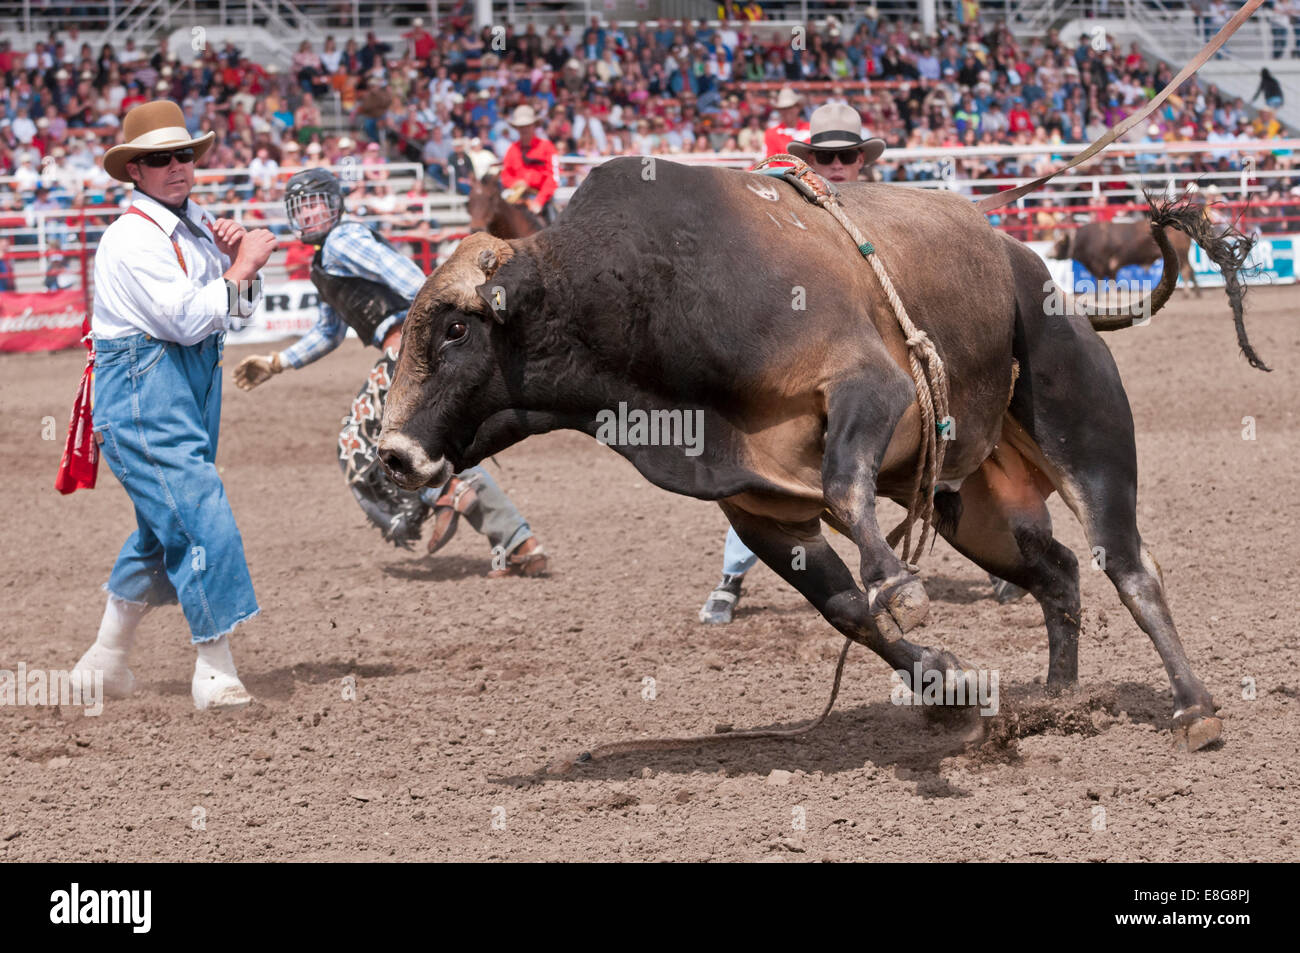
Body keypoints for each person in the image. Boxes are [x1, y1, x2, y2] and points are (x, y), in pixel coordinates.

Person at [698, 103, 1024, 623]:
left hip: (874, 366)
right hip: (803, 368)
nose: (835, 165)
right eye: (825, 156)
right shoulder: (786, 206)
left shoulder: (889, 218)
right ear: (809, 157)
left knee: (931, 469)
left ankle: (997, 563)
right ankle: (730, 580)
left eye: (845, 156)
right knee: (770, 474)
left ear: (860, 161)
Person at [231, 168, 548, 576]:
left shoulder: (344, 239)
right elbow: (328, 333)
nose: (309, 214)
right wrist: (277, 362)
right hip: (408, 352)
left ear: (334, 206)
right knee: (419, 441)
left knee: (357, 440)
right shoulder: (325, 260)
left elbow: (407, 278)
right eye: (301, 207)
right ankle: (518, 541)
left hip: (407, 352)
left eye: (316, 204)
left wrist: (421, 339)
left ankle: (446, 493)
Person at [69, 100, 277, 708]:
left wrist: (237, 269)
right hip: (143, 384)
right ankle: (214, 667)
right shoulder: (131, 237)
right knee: (196, 509)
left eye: (183, 153)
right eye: (159, 159)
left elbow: (231, 313)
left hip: (178, 382)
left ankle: (104, 660)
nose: (176, 166)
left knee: (165, 524)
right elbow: (188, 319)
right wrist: (239, 267)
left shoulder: (195, 224)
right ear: (135, 171)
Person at [498, 104, 559, 221]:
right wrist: (515, 183)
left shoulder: (547, 147)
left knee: (557, 227)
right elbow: (505, 176)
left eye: (527, 126)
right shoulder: (512, 149)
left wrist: (539, 201)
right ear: (516, 128)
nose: (524, 129)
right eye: (521, 127)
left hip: (542, 198)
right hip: (517, 198)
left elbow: (553, 178)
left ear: (534, 126)